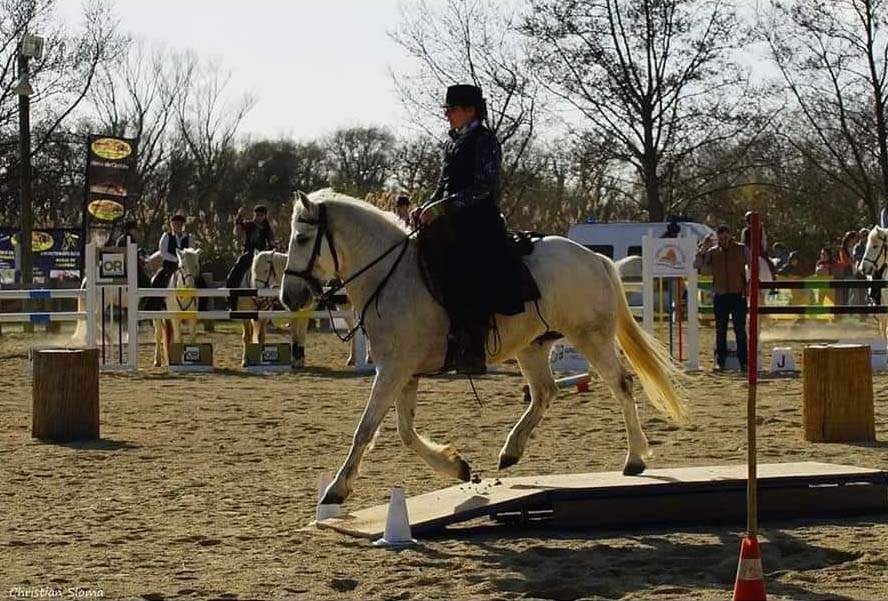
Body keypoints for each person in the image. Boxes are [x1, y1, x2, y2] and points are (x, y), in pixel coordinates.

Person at [413, 84, 525, 375]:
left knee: (468, 271)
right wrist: (426, 206)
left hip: (478, 221)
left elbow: (483, 186)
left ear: (469, 110)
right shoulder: (452, 143)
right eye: (447, 110)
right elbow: (442, 184)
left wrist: (443, 207)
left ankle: (473, 346)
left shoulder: (485, 141)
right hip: (451, 219)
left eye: (451, 109)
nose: (447, 114)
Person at [694, 226, 748, 371]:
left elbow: (753, 265)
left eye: (726, 237)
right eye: (721, 238)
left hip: (738, 295)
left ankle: (744, 362)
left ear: (731, 235)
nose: (724, 240)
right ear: (718, 238)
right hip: (720, 295)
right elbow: (698, 266)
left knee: (740, 330)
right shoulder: (713, 252)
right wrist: (703, 249)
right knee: (720, 330)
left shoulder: (742, 249)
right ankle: (721, 362)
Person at [226, 204, 275, 291]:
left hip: (263, 254)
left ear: (264, 216)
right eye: (257, 215)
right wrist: (239, 216)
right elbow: (238, 228)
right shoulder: (250, 225)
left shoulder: (267, 229)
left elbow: (271, 242)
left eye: (261, 215)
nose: (259, 217)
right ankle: (230, 287)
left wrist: (271, 249)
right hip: (250, 252)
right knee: (238, 266)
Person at [152, 214, 192, 288]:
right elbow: (163, 252)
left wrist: (184, 260)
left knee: (199, 279)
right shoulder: (166, 236)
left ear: (183, 225)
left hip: (186, 266)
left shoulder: (189, 238)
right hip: (170, 266)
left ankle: (204, 298)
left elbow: (191, 251)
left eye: (180, 224)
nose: (178, 226)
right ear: (172, 225)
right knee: (157, 280)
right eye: (175, 224)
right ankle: (154, 298)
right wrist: (176, 259)